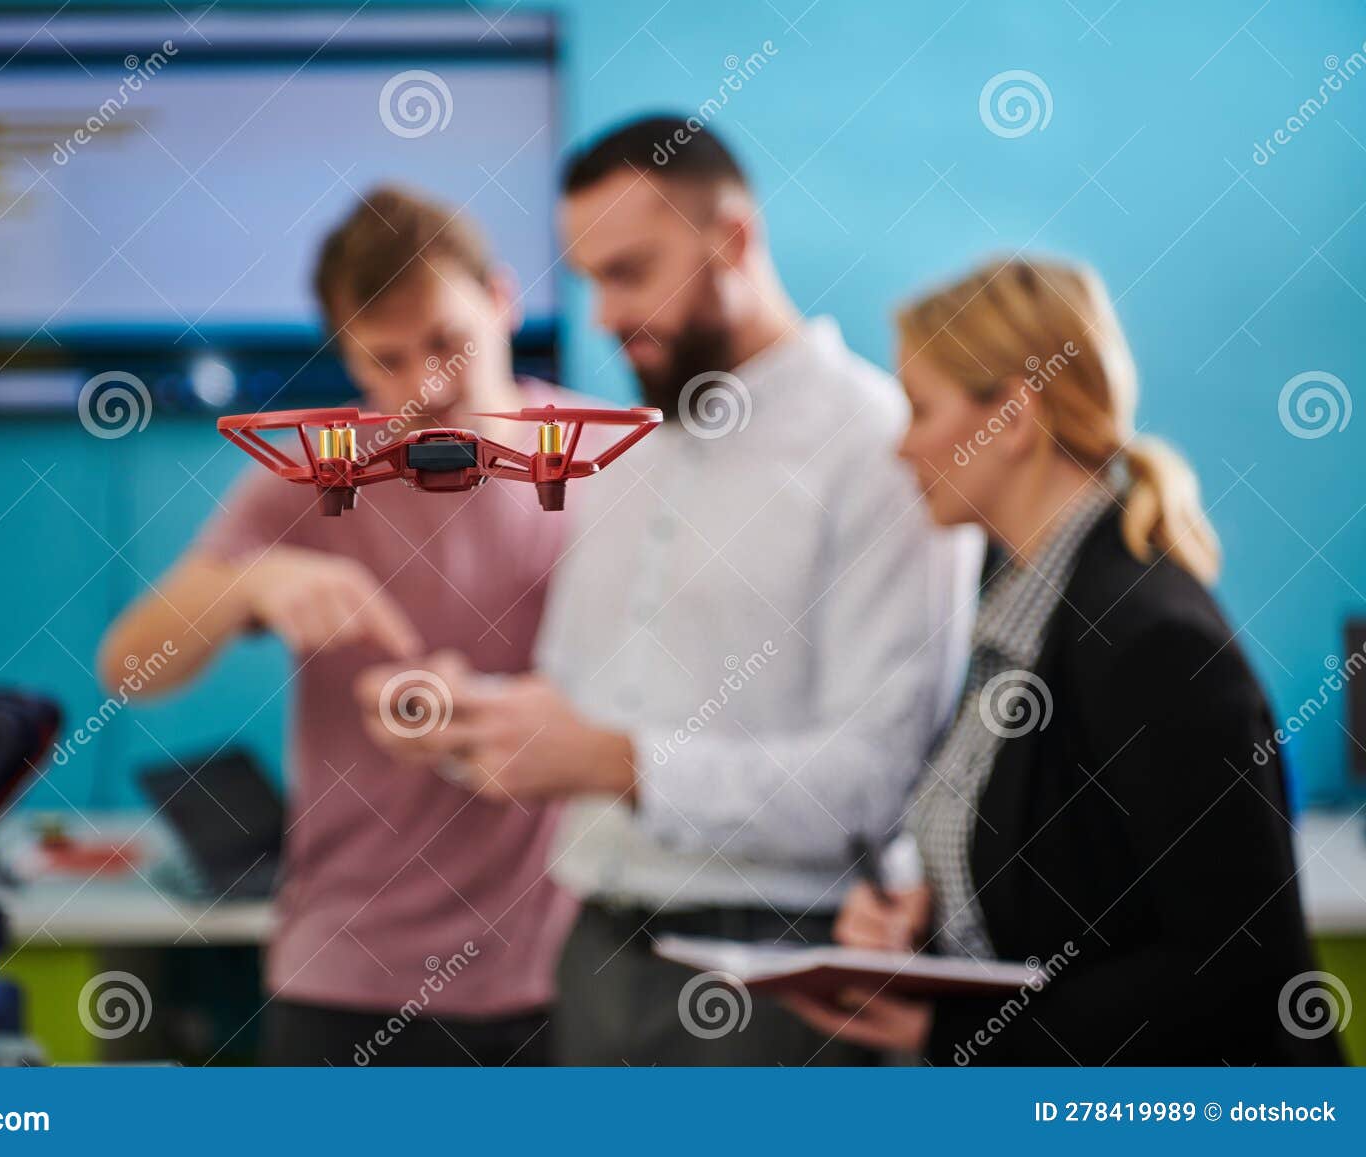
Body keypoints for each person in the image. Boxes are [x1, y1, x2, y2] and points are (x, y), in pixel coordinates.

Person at [357, 117, 981, 1064]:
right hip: (598, 957)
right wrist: (462, 718)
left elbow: (876, 781)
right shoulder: (625, 452)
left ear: (732, 242)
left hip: (782, 976)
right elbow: (578, 710)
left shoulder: (880, 450)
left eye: (630, 272)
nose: (602, 313)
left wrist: (620, 763)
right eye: (589, 277)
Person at [784, 255, 1344, 1066]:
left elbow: (1242, 974)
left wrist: (956, 1032)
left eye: (919, 408)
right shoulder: (1015, 609)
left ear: (1012, 415)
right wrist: (924, 918)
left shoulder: (1152, 639)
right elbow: (1070, 882)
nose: (900, 448)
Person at [97, 186, 579, 1066]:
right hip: (348, 976)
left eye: (446, 342)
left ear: (504, 300)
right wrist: (252, 580)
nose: (424, 386)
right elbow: (130, 666)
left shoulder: (591, 460)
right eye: (387, 359)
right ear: (350, 360)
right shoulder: (316, 475)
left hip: (562, 974)